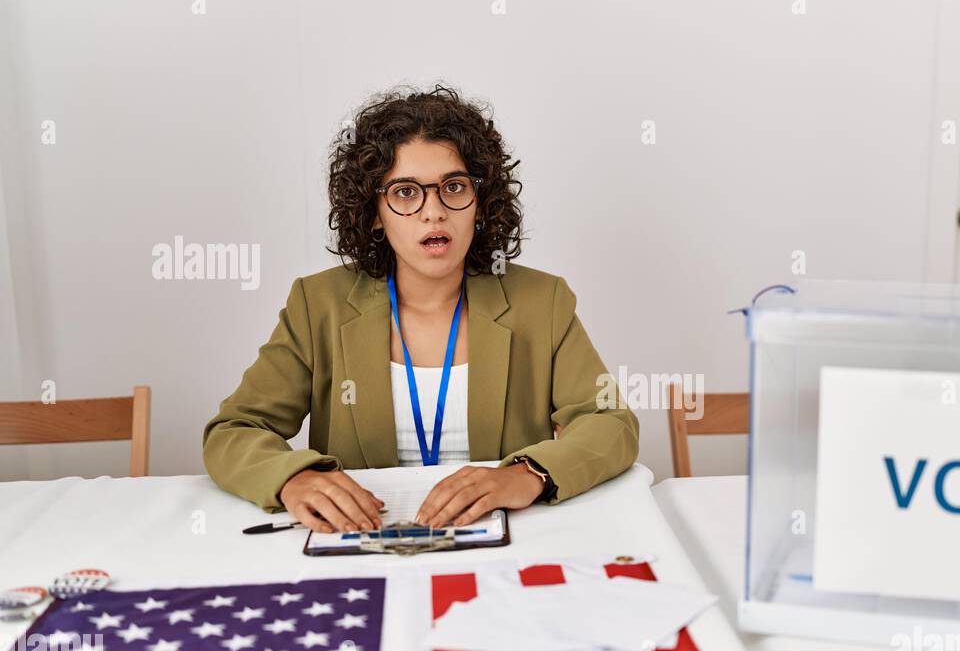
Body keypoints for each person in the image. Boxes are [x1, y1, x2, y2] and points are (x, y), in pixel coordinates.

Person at [202, 85, 639, 534]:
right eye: (406, 192)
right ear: (374, 212)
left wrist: (525, 475)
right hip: (363, 547)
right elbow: (234, 430)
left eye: (453, 187)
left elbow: (609, 422)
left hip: (505, 546)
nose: (434, 212)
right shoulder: (318, 305)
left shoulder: (542, 301)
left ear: (481, 204)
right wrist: (291, 479)